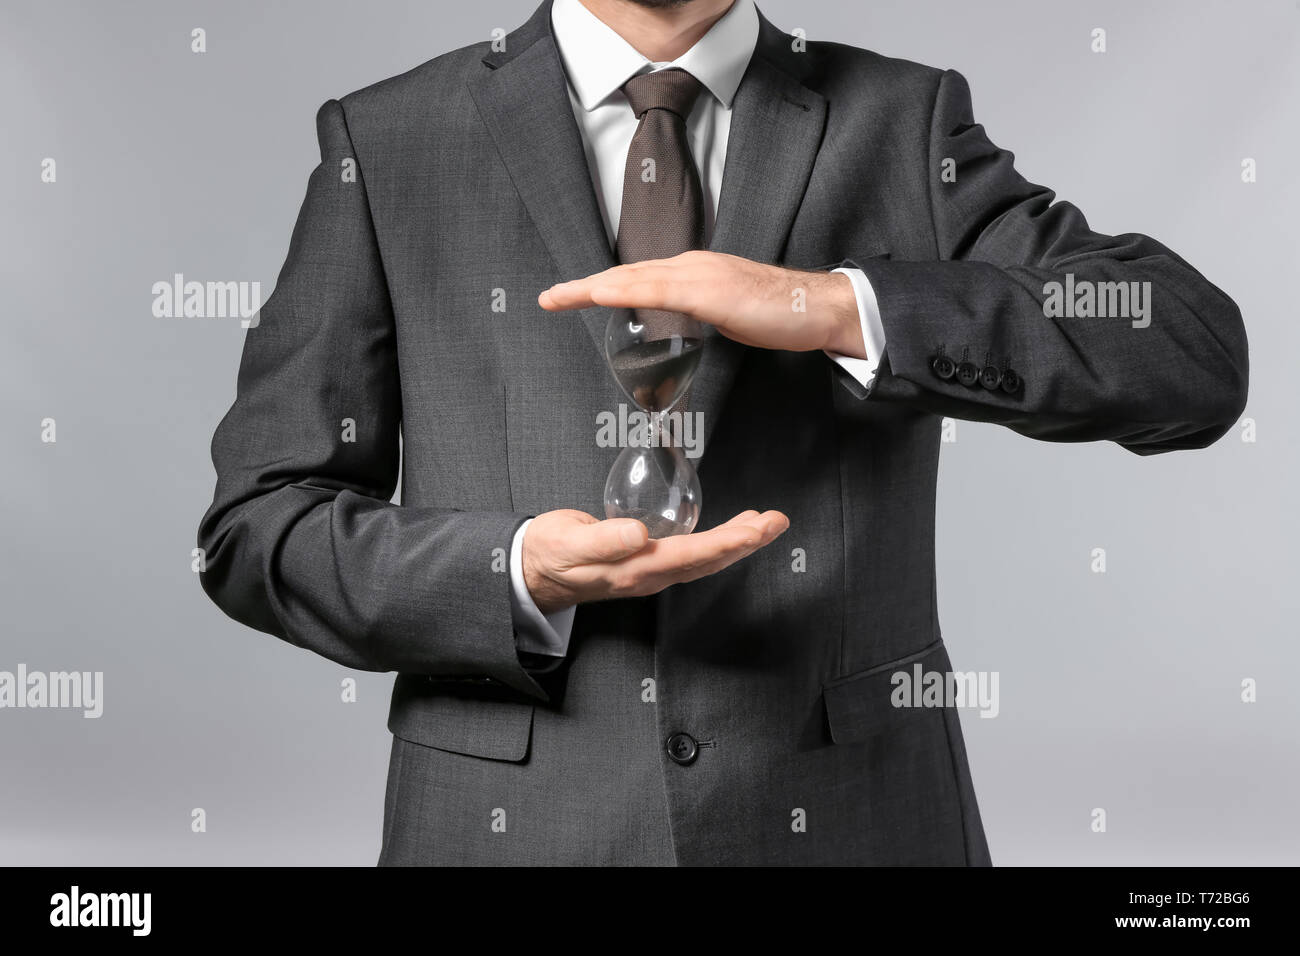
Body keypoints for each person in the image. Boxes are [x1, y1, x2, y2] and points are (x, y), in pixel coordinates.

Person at [197, 0, 1248, 865]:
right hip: (506, 830)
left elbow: (1190, 353)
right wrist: (512, 571)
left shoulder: (902, 120)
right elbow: (256, 527)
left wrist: (832, 306)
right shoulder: (389, 141)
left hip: (857, 824)